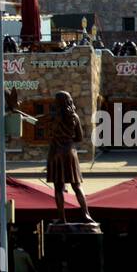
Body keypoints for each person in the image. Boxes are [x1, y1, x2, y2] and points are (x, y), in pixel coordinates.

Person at [46, 91, 94, 223]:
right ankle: (86, 214)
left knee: (58, 187)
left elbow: (40, 123)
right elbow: (79, 137)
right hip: (70, 152)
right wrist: (68, 138)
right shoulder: (74, 117)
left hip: (56, 152)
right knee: (77, 186)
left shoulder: (53, 117)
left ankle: (62, 218)